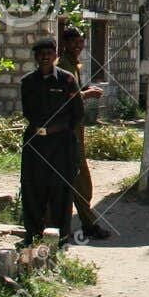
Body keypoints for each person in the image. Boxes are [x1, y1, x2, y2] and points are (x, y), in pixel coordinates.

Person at [18, 37, 84, 246]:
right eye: (40, 53)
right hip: (36, 145)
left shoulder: (67, 81)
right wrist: (43, 129)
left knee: (61, 191)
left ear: (55, 55)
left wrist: (59, 129)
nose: (45, 57)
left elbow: (77, 113)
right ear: (36, 57)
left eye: (49, 53)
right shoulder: (28, 82)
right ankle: (33, 236)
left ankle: (61, 238)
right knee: (33, 189)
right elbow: (29, 112)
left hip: (62, 145)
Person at [59, 25, 111, 240]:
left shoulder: (73, 65)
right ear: (66, 43)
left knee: (75, 178)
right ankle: (88, 224)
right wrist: (86, 94)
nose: (78, 46)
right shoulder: (62, 66)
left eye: (81, 42)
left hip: (75, 128)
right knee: (78, 178)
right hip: (66, 130)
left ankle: (74, 224)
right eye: (74, 42)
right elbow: (64, 99)